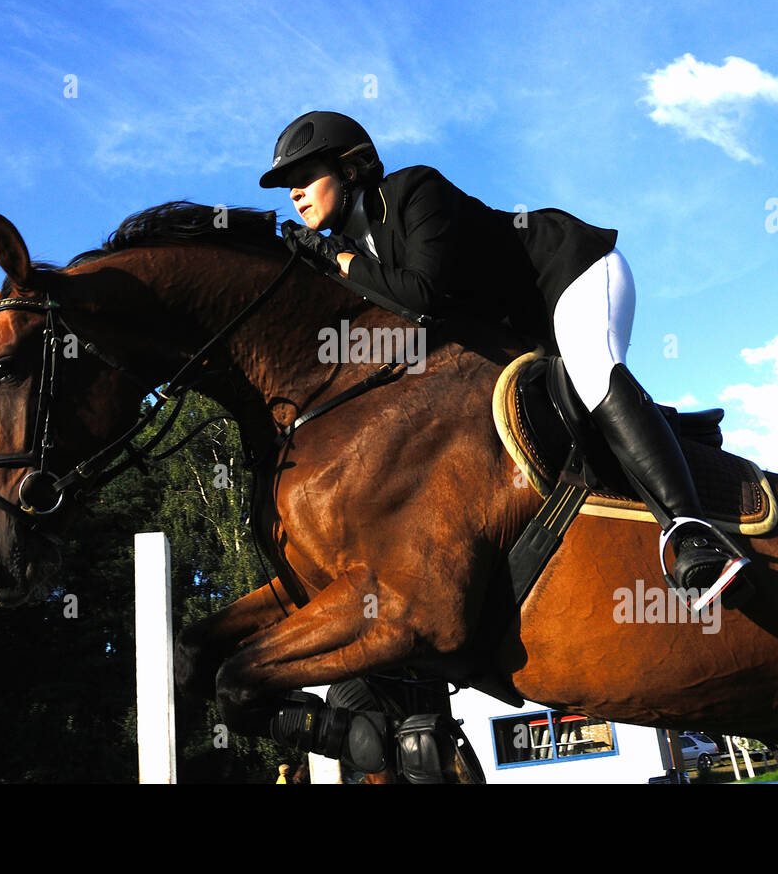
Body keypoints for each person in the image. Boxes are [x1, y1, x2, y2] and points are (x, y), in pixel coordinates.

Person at [259, 111, 749, 607]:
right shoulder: (347, 246)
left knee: (594, 374)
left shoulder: (413, 190)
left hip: (568, 272)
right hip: (520, 330)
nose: (295, 194)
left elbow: (424, 296)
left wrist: (335, 262)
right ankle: (681, 433)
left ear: (348, 170)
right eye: (289, 187)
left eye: (305, 178)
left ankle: (693, 534)